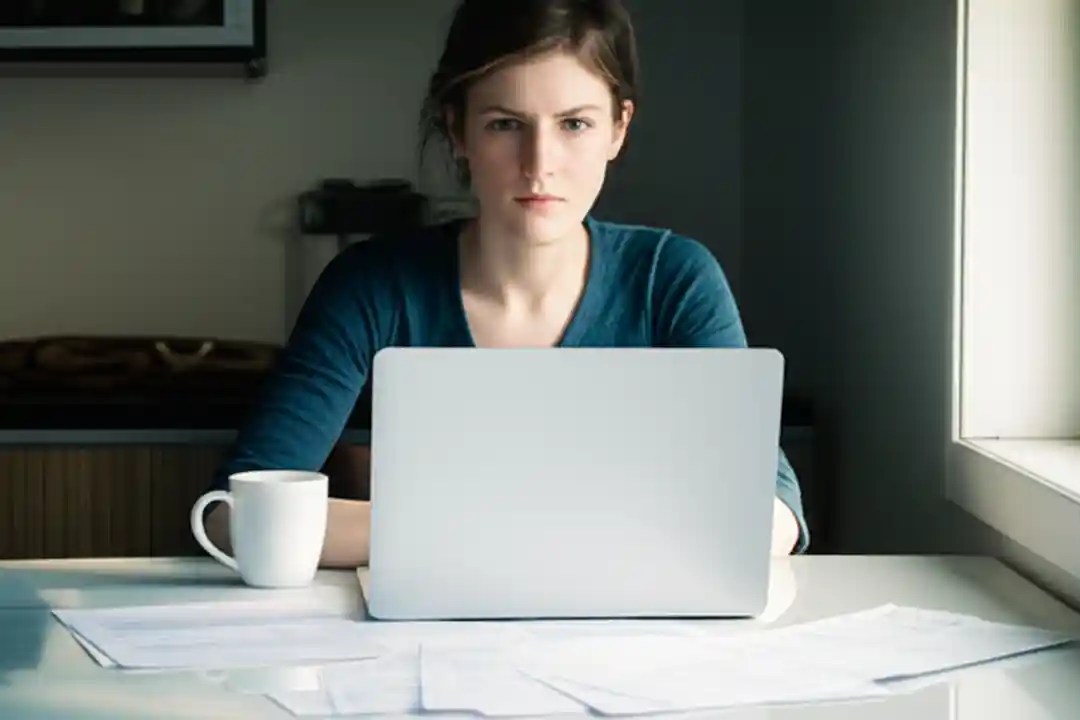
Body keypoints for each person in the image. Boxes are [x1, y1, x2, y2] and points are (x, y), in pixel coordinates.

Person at [205, 0, 808, 565]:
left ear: (618, 128)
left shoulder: (672, 279)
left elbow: (771, 512)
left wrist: (473, 530)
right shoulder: (371, 287)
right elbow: (233, 515)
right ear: (457, 129)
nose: (539, 163)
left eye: (575, 123)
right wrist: (544, 531)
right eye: (504, 124)